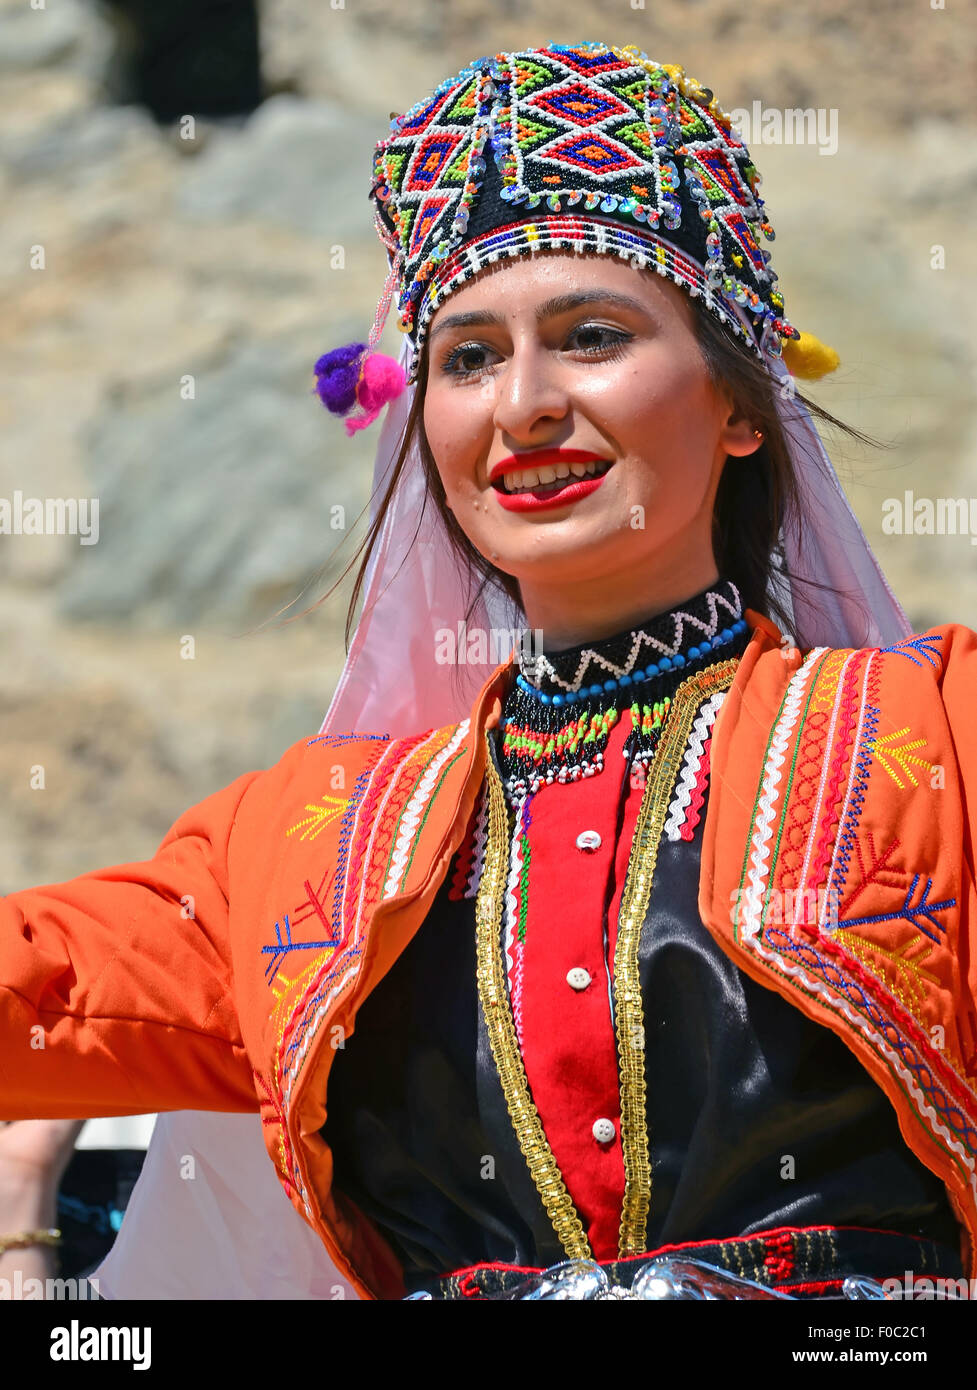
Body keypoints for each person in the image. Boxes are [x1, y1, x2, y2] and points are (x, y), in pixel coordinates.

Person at [2, 40, 976, 1302]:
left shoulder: (929, 738)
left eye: (589, 336)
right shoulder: (313, 849)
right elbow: (45, 986)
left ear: (740, 407)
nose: (521, 404)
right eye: (466, 358)